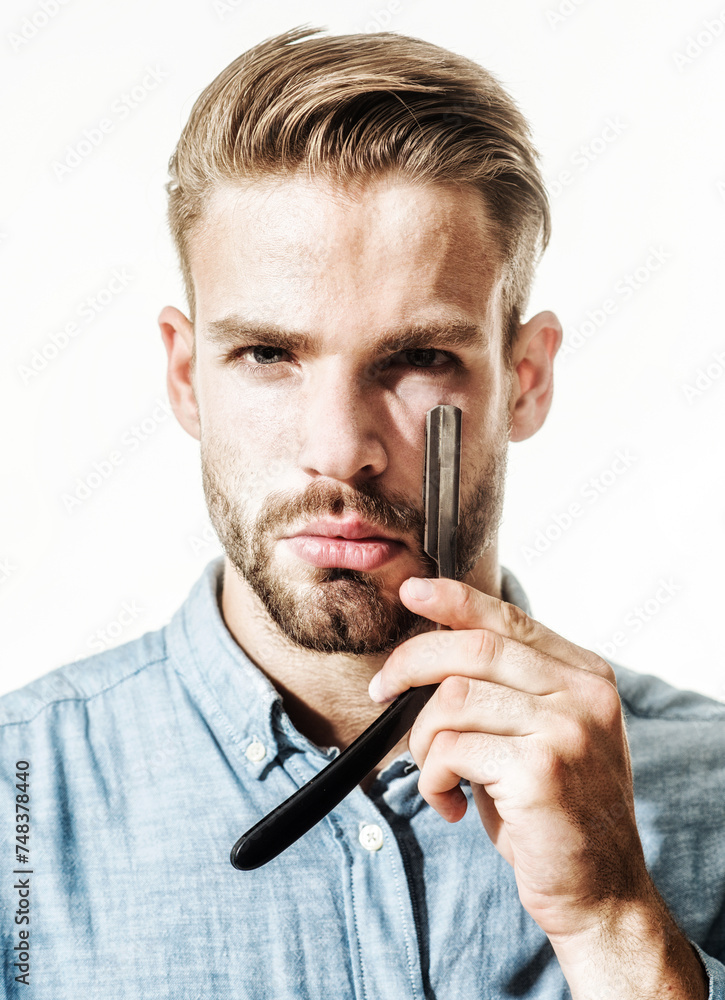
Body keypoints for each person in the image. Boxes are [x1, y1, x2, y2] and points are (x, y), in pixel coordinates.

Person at [1, 24, 723, 1000]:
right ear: (184, 376)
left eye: (418, 358)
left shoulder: (713, 791)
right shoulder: (18, 802)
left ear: (525, 378)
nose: (340, 447)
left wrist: (619, 934)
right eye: (267, 355)